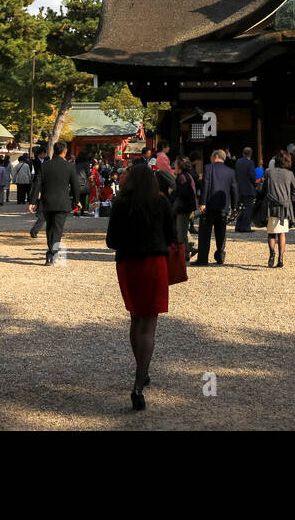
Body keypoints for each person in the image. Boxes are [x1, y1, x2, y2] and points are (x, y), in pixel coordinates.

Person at [106, 163, 177, 411]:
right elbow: (172, 236)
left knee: (135, 319)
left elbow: (111, 241)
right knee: (149, 324)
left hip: (128, 264)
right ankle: (138, 381)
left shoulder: (121, 204)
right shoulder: (161, 204)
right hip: (154, 263)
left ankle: (141, 371)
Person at [31, 141, 79, 265]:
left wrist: (33, 201)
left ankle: (50, 252)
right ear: (65, 151)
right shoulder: (70, 166)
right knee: (57, 229)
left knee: (50, 228)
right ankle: (52, 253)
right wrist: (76, 200)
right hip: (62, 202)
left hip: (47, 201)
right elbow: (75, 186)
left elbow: (37, 183)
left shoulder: (45, 165)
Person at [196, 148, 237, 265]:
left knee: (205, 233)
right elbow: (234, 190)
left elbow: (206, 186)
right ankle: (220, 256)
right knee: (221, 232)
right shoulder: (231, 172)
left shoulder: (208, 168)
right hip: (223, 207)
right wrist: (234, 207)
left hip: (209, 206)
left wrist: (202, 203)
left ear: (215, 157)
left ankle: (203, 258)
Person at [262, 149, 295, 268]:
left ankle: (272, 252)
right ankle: (281, 258)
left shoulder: (268, 172)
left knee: (271, 233)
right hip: (284, 207)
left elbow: (262, 190)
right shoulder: (289, 174)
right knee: (281, 233)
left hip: (271, 206)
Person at [173, 155, 199, 262]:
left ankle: (191, 248)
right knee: (183, 230)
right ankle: (186, 253)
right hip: (187, 207)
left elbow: (183, 193)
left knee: (181, 232)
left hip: (183, 208)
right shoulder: (186, 175)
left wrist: (172, 192)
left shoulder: (182, 177)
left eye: (175, 164)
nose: (174, 165)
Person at [233, 147, 258, 232]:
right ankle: (246, 227)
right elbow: (252, 176)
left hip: (239, 188)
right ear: (250, 154)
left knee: (240, 208)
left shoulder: (238, 162)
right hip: (248, 188)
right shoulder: (250, 163)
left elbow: (235, 175)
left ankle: (238, 226)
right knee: (248, 209)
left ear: (243, 153)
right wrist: (255, 186)